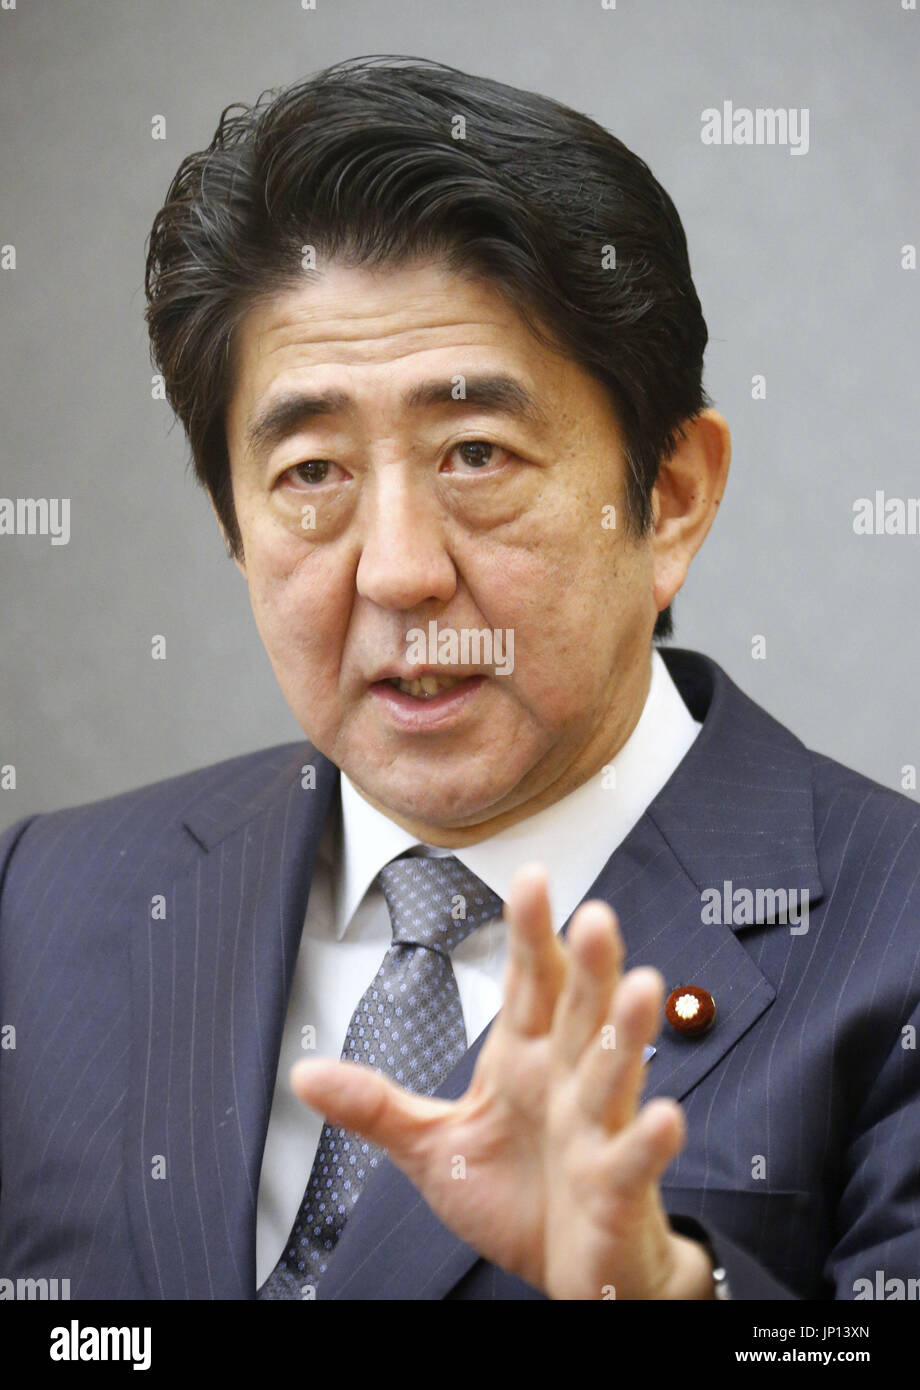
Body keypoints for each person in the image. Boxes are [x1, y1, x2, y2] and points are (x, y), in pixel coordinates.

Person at [1, 56, 918, 1303]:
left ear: (671, 497)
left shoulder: (892, 934)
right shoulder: (46, 906)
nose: (395, 572)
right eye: (311, 472)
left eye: (475, 451)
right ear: (232, 522)